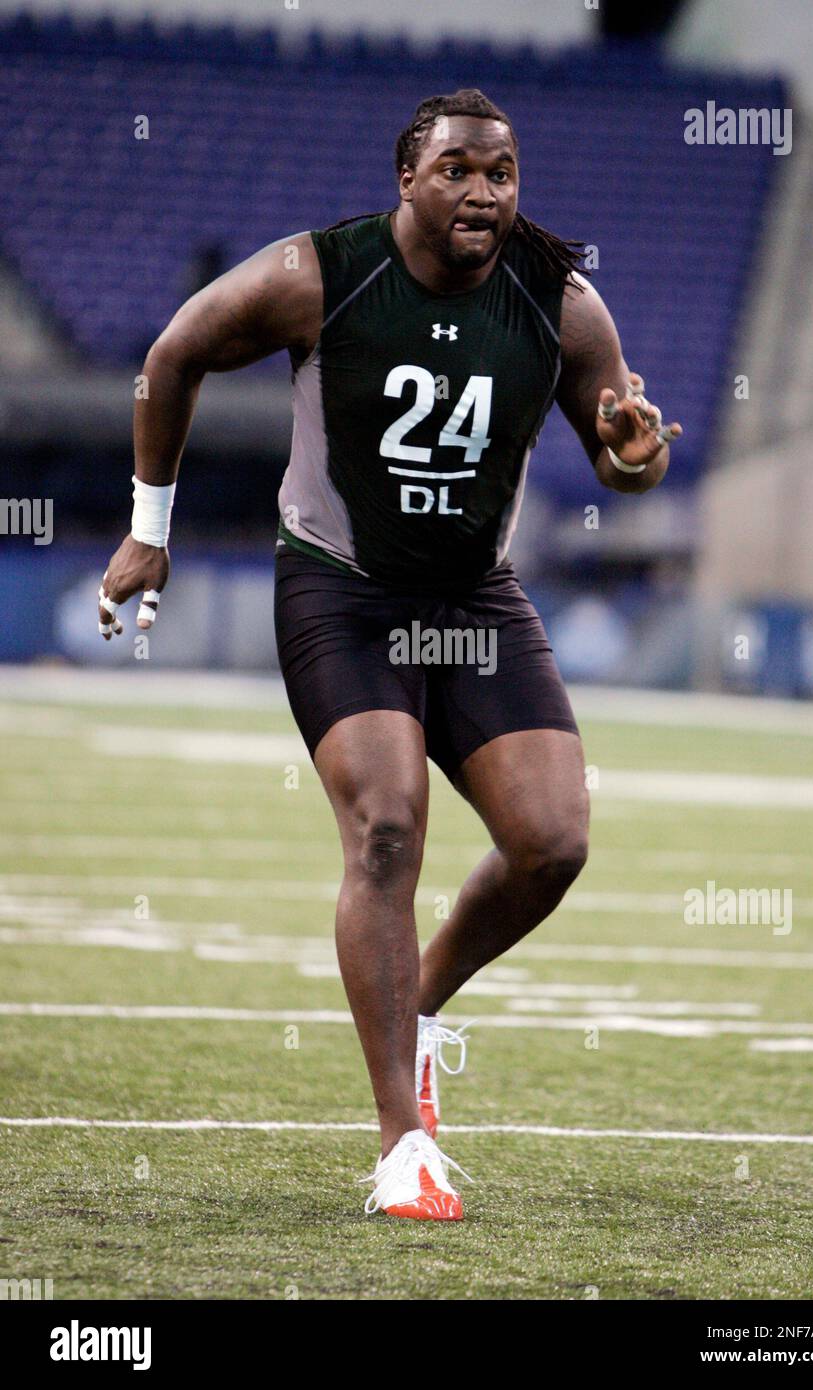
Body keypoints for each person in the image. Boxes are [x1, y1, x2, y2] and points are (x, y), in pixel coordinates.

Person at [97, 88, 681, 1221]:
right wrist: (148, 528)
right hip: (344, 591)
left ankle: (420, 1013)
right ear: (407, 177)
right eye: (458, 168)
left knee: (553, 842)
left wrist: (633, 456)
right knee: (386, 827)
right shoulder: (318, 274)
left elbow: (626, 462)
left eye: (501, 173)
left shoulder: (560, 301)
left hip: (473, 598)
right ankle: (402, 1147)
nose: (482, 192)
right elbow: (172, 354)